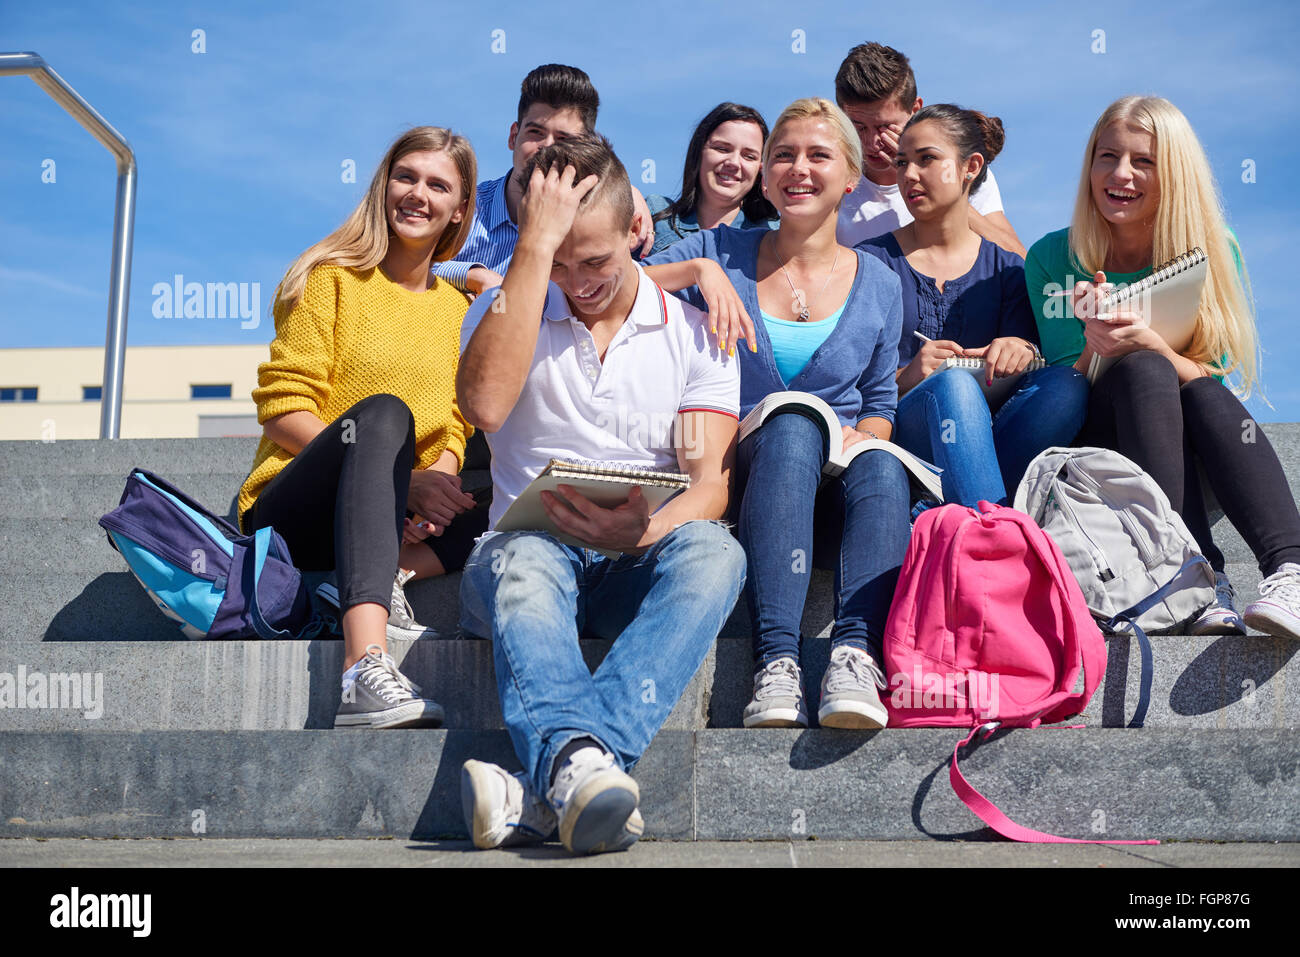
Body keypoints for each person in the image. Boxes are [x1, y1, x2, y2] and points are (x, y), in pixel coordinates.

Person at [455, 134, 746, 855]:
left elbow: (709, 485)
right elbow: (485, 407)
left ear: (636, 235)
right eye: (558, 262)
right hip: (525, 558)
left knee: (716, 553)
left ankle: (560, 773)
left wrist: (642, 535)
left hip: (632, 560)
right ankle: (581, 766)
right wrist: (535, 248)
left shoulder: (697, 329)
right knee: (524, 559)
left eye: (595, 262)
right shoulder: (509, 304)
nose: (576, 282)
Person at [644, 98, 912, 731]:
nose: (798, 169)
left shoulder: (880, 283)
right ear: (764, 177)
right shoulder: (720, 248)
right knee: (790, 423)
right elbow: (605, 286)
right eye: (783, 155)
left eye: (819, 155)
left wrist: (860, 436)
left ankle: (854, 655)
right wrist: (699, 267)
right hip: (743, 472)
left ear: (850, 176)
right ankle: (777, 663)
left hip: (836, 485)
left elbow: (880, 404)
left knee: (882, 461)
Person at [237, 126, 486, 729]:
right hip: (295, 510)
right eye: (407, 177)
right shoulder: (332, 278)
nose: (418, 194)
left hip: (390, 511)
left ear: (459, 208)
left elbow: (453, 426)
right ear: (383, 186)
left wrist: (439, 483)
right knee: (382, 414)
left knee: (517, 477)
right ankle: (361, 669)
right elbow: (282, 405)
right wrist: (404, 478)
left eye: (438, 185)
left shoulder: (457, 312)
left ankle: (390, 567)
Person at [1025, 95, 1300, 639]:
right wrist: (1094, 342)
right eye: (1107, 157)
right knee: (1145, 369)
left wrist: (1153, 344)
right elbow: (1066, 391)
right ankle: (1194, 577)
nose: (1120, 174)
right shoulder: (1052, 258)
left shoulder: (1215, 248)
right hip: (1097, 439)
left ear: (1172, 172)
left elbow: (1211, 377)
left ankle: (1289, 568)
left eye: (1143, 161)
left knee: (1174, 377)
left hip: (1186, 425)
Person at [861, 104, 1088, 506]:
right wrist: (906, 376)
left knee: (1065, 387)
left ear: (971, 167)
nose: (909, 175)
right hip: (906, 438)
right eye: (902, 163)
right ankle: (991, 531)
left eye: (927, 159)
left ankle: (959, 507)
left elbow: (1037, 365)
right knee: (953, 385)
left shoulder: (1008, 270)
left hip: (995, 432)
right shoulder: (868, 264)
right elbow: (845, 383)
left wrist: (1023, 349)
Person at [433, 63, 655, 296]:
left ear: (586, 148)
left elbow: (631, 283)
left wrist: (625, 193)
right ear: (513, 136)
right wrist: (473, 275)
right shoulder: (467, 209)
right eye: (535, 133)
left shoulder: (604, 219)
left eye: (563, 138)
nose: (546, 147)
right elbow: (409, 260)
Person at [833, 42, 1024, 257]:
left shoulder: (959, 169)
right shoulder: (828, 179)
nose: (871, 142)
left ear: (915, 109)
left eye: (884, 127)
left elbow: (1019, 261)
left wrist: (948, 195)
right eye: (858, 127)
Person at [643, 102, 778, 256]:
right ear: (699, 151)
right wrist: (628, 194)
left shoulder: (773, 234)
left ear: (761, 168)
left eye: (749, 156)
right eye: (722, 148)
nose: (733, 162)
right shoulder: (655, 212)